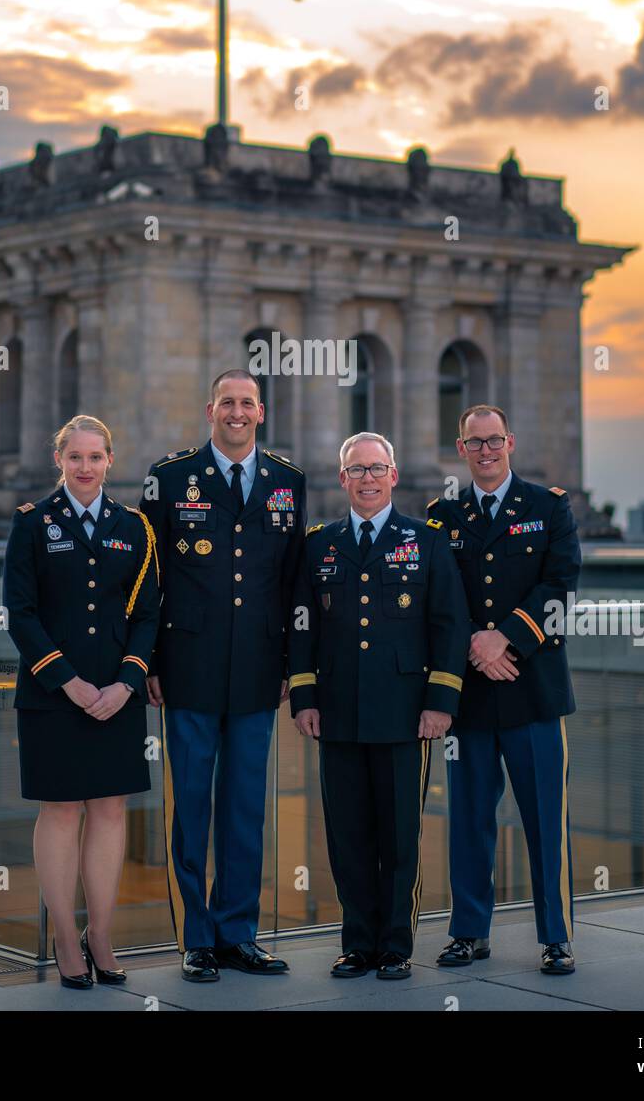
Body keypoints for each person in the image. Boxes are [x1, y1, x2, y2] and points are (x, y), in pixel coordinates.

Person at [140, 369, 306, 982]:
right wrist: (151, 660)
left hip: (258, 670)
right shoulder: (169, 477)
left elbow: (293, 584)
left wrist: (291, 665)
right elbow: (147, 580)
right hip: (188, 668)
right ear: (210, 410)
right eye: (227, 403)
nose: (237, 412)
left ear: (260, 412)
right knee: (190, 808)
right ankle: (196, 939)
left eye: (247, 404)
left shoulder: (288, 480)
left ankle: (238, 934)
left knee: (244, 808)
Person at [290, 431, 470, 980]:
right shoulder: (318, 544)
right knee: (346, 837)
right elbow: (303, 627)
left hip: (404, 714)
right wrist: (304, 696)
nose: (367, 479)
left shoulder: (426, 541)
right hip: (338, 712)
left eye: (376, 468)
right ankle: (356, 944)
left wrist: (440, 702)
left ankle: (395, 946)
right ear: (342, 478)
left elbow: (450, 625)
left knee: (398, 838)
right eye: (356, 469)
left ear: (393, 474)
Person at [2, 414, 159, 990]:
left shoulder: (135, 527)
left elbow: (147, 615)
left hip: (117, 695)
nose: (85, 467)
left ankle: (102, 935)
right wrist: (67, 682)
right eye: (75, 457)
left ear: (109, 461)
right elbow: (20, 613)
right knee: (62, 811)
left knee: (111, 809)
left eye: (95, 457)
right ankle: (66, 937)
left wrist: (126, 683)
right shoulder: (32, 522)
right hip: (53, 695)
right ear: (60, 461)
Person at [428, 403, 581, 975]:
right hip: (470, 694)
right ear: (461, 449)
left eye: (494, 440)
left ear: (510, 442)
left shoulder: (548, 506)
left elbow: (561, 586)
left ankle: (556, 938)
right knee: (469, 820)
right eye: (475, 442)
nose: (486, 450)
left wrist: (506, 640)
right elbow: (439, 597)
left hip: (532, 689)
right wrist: (477, 644)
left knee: (545, 822)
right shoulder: (442, 515)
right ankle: (469, 932)